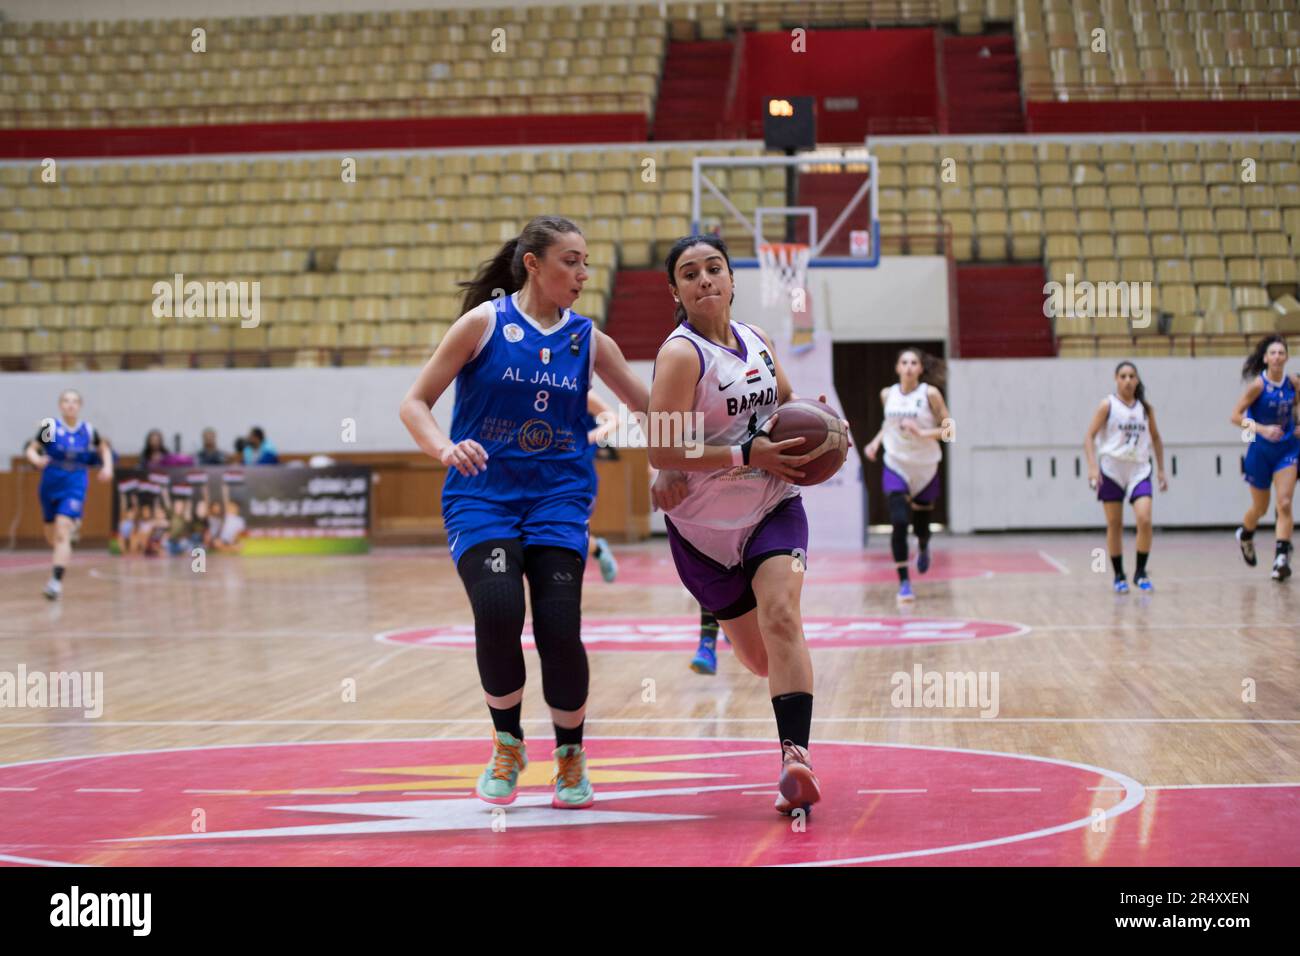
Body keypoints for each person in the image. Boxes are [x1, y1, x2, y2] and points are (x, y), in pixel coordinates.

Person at [399, 215, 660, 810]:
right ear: (533, 264)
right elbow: (414, 402)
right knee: (497, 611)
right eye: (571, 260)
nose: (584, 273)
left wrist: (731, 430)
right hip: (481, 492)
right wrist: (444, 446)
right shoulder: (482, 324)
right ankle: (508, 743)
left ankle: (570, 755)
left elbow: (653, 408)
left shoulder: (589, 339)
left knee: (558, 627)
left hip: (558, 497)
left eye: (587, 261)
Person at [649, 234, 845, 816]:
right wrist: (743, 452)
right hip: (703, 534)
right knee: (761, 659)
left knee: (783, 615)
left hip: (770, 506)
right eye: (690, 274)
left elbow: (784, 401)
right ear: (676, 292)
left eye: (715, 269)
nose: (705, 279)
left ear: (733, 281)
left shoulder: (758, 340)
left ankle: (796, 758)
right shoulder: (682, 355)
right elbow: (662, 448)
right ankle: (786, 692)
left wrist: (822, 424)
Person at [863, 348, 951, 603]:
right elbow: (888, 425)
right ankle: (904, 582)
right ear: (897, 368)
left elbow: (950, 430)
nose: (910, 366)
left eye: (914, 362)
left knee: (922, 526)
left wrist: (922, 433)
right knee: (899, 521)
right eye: (905, 362)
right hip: (896, 463)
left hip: (925, 465)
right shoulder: (887, 394)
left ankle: (923, 546)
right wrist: (875, 442)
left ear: (921, 369)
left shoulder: (930, 394)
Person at [1083, 361, 1167, 592]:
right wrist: (1092, 467)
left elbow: (1157, 439)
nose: (1128, 380)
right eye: (1123, 376)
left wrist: (1160, 469)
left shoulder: (1145, 409)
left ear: (1137, 380)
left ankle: (1140, 572)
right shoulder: (1107, 405)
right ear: (1116, 379)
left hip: (1139, 469)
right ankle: (1119, 574)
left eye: (1132, 376)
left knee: (1145, 519)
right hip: (1112, 469)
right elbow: (1088, 437)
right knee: (1115, 524)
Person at [24, 389, 113, 599]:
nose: (70, 404)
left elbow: (104, 449)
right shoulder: (50, 427)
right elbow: (32, 449)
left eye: (74, 401)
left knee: (62, 529)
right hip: (50, 483)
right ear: (60, 405)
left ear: (80, 405)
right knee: (51, 535)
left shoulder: (88, 430)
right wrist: (35, 459)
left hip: (75, 483)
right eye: (66, 401)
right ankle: (67, 539)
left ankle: (55, 582)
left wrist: (107, 467)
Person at [1231, 334, 1299, 581]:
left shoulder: (1293, 383)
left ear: (1287, 357)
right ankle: (1246, 534)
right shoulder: (1258, 386)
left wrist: (1298, 425)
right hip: (1260, 449)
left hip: (1287, 450)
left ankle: (1281, 557)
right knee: (1260, 508)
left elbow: (1296, 408)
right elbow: (1235, 417)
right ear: (1266, 358)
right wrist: (1261, 429)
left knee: (1284, 503)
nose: (1278, 357)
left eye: (1282, 353)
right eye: (1273, 353)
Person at [584, 390, 619, 583]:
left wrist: (584, 440)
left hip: (577, 475)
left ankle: (597, 549)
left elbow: (614, 420)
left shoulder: (576, 387)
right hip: (537, 473)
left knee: (573, 531)